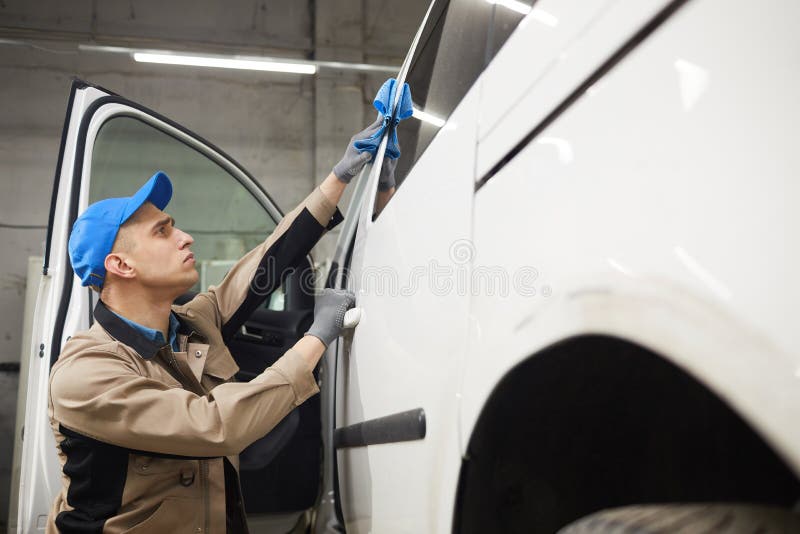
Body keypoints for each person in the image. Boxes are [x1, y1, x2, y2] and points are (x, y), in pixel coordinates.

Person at [46, 118, 388, 533]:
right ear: (120, 265)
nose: (186, 237)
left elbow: (265, 265)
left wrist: (340, 177)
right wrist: (316, 339)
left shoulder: (191, 324)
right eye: (163, 231)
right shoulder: (86, 374)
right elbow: (215, 426)